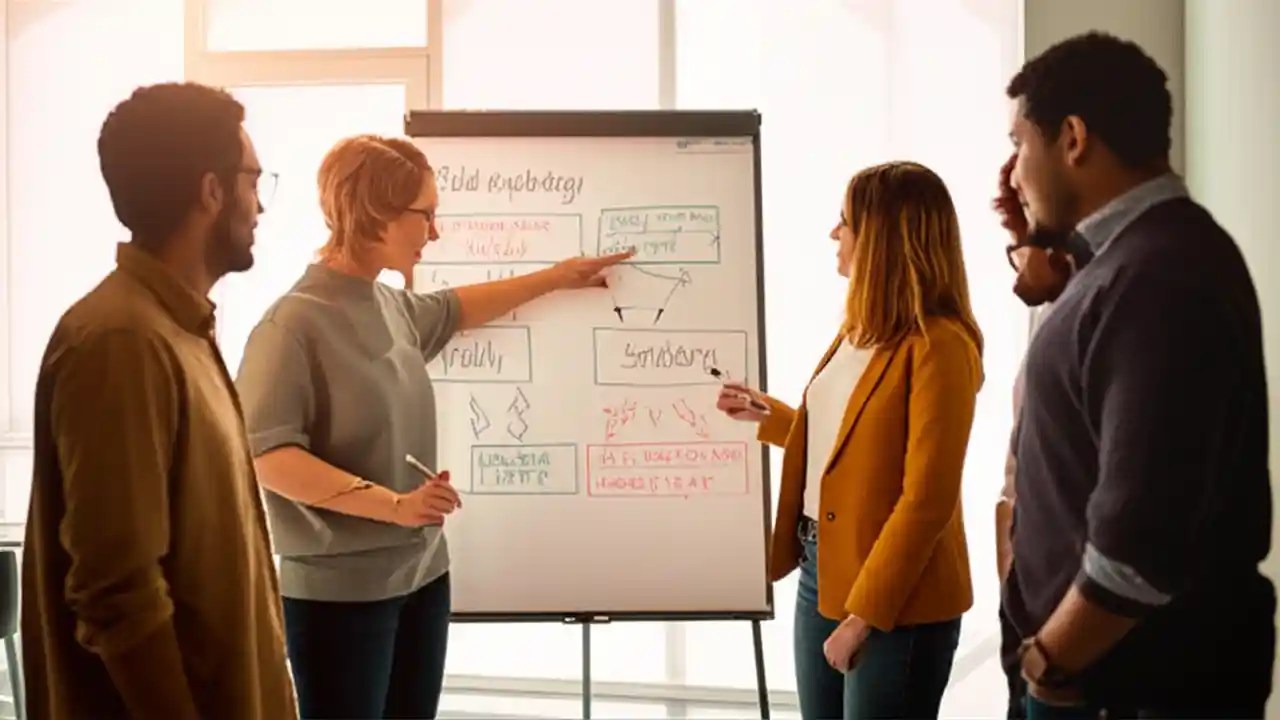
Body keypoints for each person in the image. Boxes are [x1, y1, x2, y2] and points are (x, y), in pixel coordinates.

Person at [234, 133, 631, 719]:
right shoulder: (292, 325)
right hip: (343, 596)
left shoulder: (391, 307)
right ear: (378, 214)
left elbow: (458, 307)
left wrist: (557, 276)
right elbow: (268, 457)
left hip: (422, 578)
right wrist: (395, 506)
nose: (435, 232)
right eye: (427, 215)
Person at [1002, 31, 1275, 717]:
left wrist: (1047, 661)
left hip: (1122, 689)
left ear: (1072, 138)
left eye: (1017, 145)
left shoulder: (1160, 277)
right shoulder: (1129, 265)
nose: (1011, 176)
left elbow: (1139, 541)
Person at [21, 83, 296, 719]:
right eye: (253, 181)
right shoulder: (122, 342)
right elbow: (119, 595)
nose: (260, 206)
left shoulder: (177, 329)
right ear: (211, 190)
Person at [716, 161, 983, 719]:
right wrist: (769, 415)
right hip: (823, 567)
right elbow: (851, 447)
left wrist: (863, 617)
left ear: (882, 237)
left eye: (845, 221)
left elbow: (926, 499)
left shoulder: (941, 346)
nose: (833, 234)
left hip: (894, 598)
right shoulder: (860, 329)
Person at [991, 152, 1093, 720]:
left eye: (1018, 244)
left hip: (1070, 623)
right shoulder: (1048, 312)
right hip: (1030, 596)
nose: (1014, 271)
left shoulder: (1099, 318)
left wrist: (1052, 652)